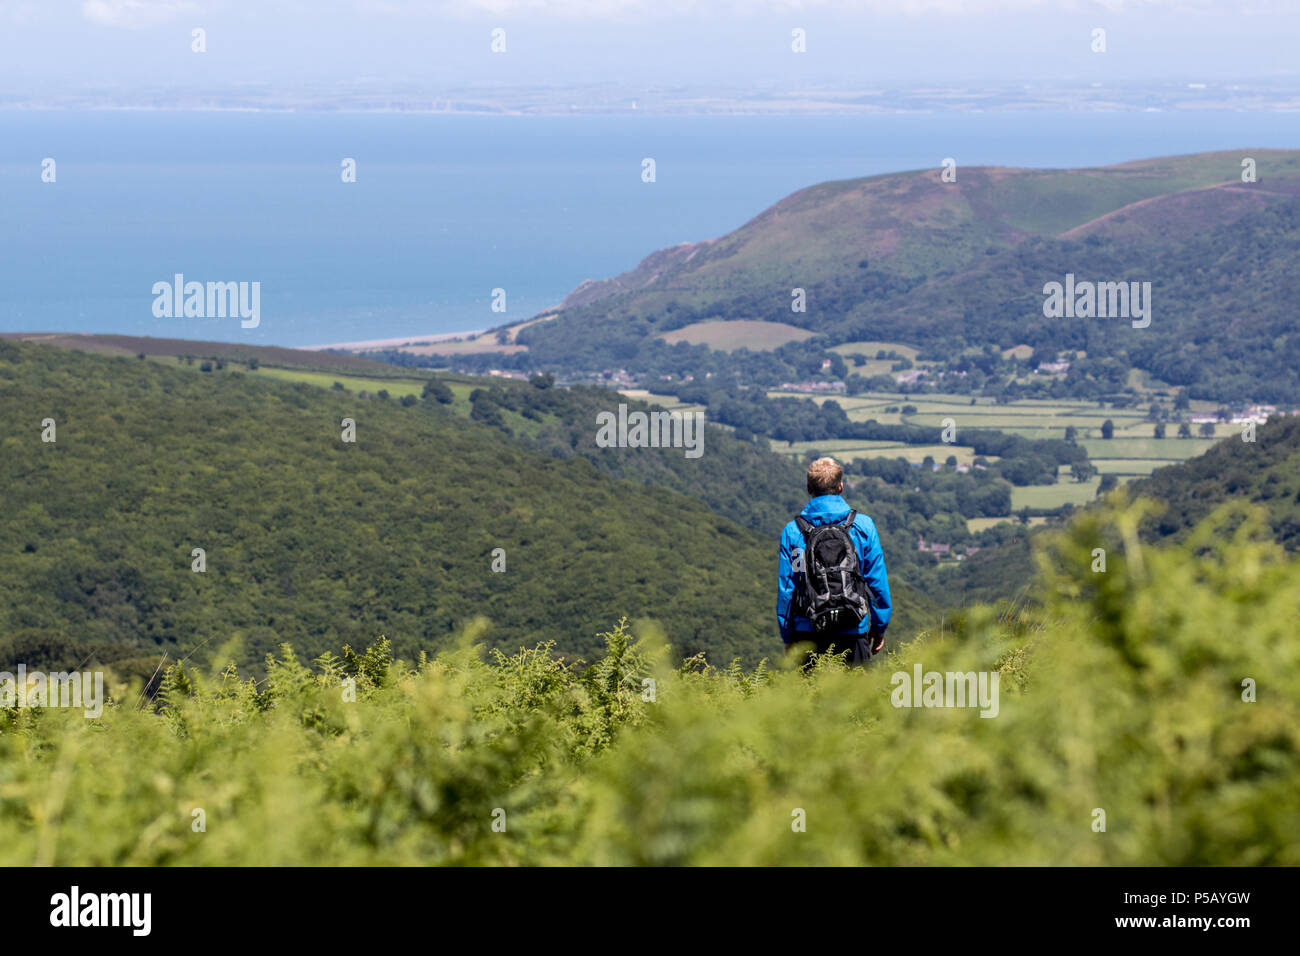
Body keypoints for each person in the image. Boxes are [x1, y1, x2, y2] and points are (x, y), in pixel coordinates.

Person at [777, 457, 892, 667]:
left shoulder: (793, 531)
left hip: (808, 630)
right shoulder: (863, 526)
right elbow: (877, 583)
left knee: (810, 698)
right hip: (854, 628)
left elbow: (788, 589)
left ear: (808, 488)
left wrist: (788, 636)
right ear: (841, 486)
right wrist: (878, 627)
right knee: (858, 698)